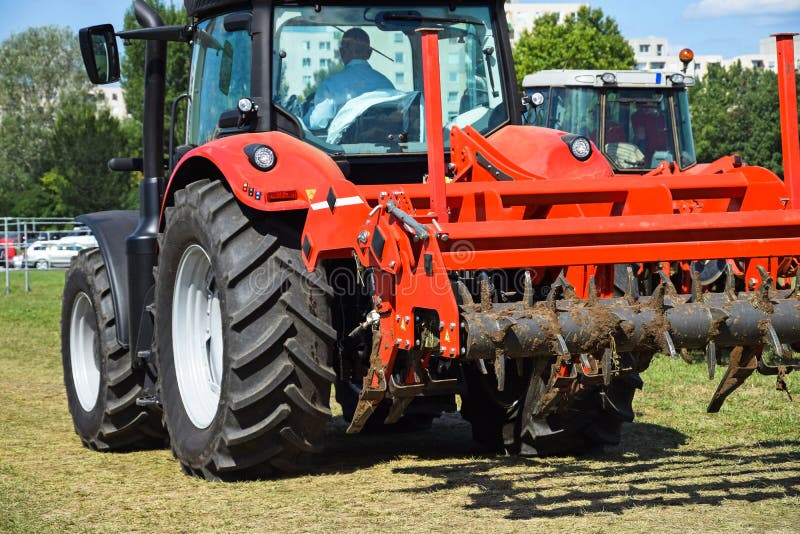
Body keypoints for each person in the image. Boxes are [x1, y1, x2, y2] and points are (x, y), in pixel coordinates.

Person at [305, 28, 394, 130]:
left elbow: (317, 122)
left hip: (340, 145)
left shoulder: (331, 84)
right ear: (369, 53)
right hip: (384, 142)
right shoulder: (386, 84)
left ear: (342, 52)